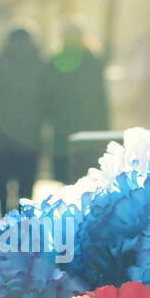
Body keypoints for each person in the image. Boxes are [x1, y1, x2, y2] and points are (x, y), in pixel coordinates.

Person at [0, 27, 46, 216]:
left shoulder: (0, 64)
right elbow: (49, 99)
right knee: (26, 185)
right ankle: (23, 221)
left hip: (2, 137)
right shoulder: (39, 64)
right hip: (30, 137)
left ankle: (4, 219)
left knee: (3, 182)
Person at [45, 23, 110, 185]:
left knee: (67, 183)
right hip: (90, 132)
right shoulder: (92, 60)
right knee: (90, 181)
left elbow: (47, 97)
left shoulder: (54, 60)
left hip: (63, 134)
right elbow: (101, 100)